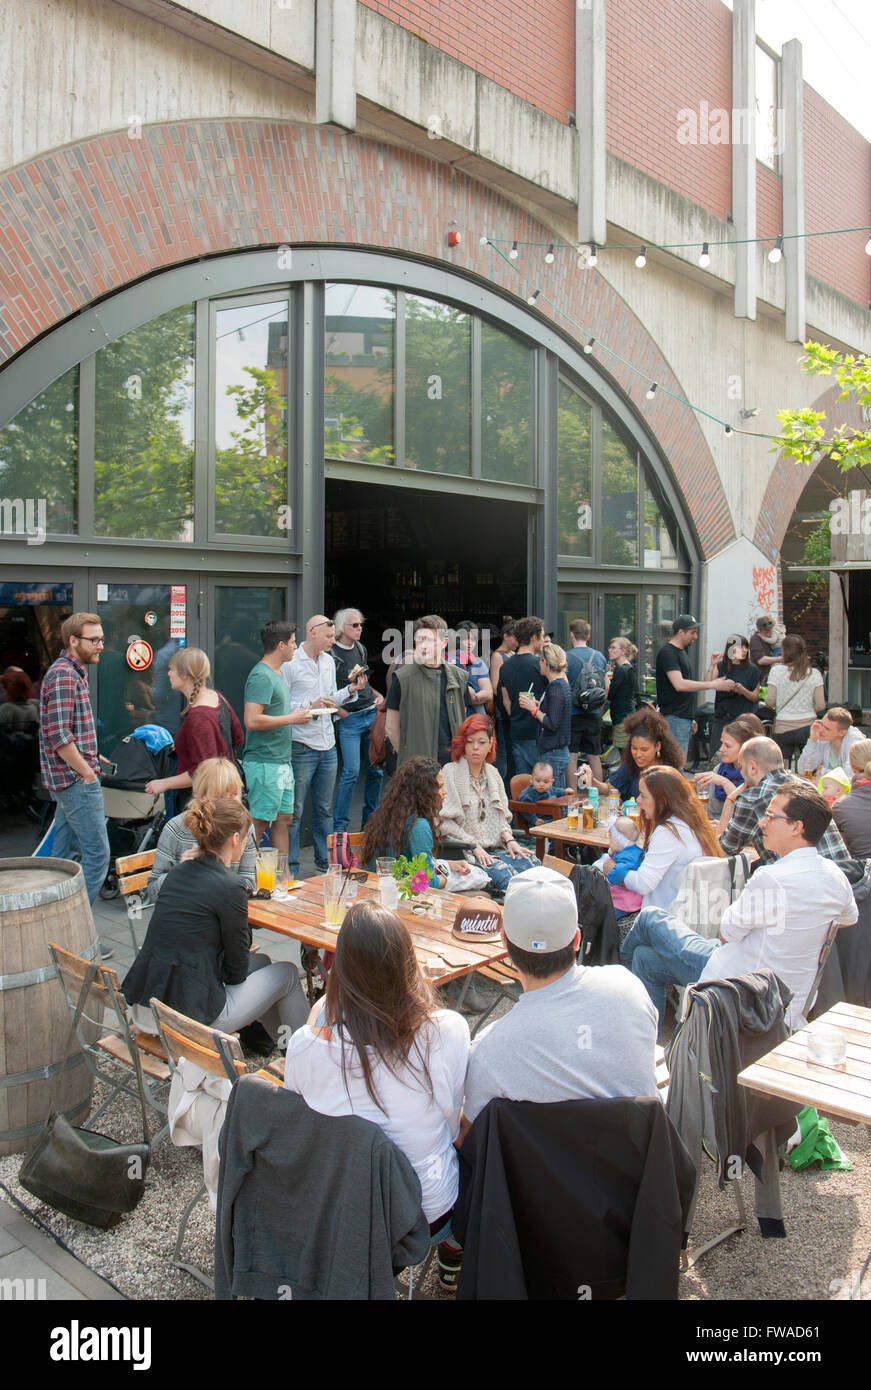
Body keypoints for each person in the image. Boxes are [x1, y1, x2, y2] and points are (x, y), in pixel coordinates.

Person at [283, 901, 470, 1232]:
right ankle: (454, 1250)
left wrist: (329, 1001)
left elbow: (298, 1121)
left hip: (338, 1210)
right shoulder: (444, 1032)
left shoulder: (302, 1046)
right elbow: (453, 1129)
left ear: (340, 972)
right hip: (420, 1215)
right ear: (409, 966)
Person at [620, 784, 858, 1037]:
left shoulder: (771, 878)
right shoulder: (835, 875)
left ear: (796, 827)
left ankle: (617, 981)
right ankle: (648, 1038)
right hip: (790, 992)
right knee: (644, 957)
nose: (762, 823)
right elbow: (847, 919)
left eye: (770, 816)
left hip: (740, 989)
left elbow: (727, 933)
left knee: (649, 918)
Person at [463, 866, 659, 1125]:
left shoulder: (488, 1051)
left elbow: (472, 1131)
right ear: (577, 939)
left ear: (504, 942)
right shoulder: (629, 989)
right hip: (640, 1160)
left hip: (540, 1166)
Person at [122, 796, 308, 1041]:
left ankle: (284, 1047)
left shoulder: (177, 874)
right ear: (234, 840)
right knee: (288, 973)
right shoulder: (231, 886)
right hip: (189, 1017)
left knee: (262, 962)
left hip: (148, 1006)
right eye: (247, 838)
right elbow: (236, 971)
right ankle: (305, 1056)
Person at [38, 613, 113, 954]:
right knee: (98, 856)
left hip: (73, 777)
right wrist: (85, 771)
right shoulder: (65, 675)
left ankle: (51, 931)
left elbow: (68, 732)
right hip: (75, 782)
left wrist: (93, 758)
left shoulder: (70, 672)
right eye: (94, 640)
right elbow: (58, 735)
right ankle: (75, 934)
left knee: (63, 857)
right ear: (73, 641)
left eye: (101, 638)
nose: (101, 645)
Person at [282, 614, 369, 878]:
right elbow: (280, 706)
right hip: (302, 743)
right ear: (313, 633)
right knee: (295, 811)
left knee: (324, 808)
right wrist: (310, 707)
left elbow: (331, 698)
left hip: (327, 743)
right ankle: (292, 868)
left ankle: (324, 863)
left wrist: (351, 691)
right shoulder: (291, 664)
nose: (334, 640)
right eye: (330, 636)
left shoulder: (329, 662)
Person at [440, 713, 539, 893]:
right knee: (511, 880)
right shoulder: (450, 772)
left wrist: (510, 840)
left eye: (481, 742)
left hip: (497, 850)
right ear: (463, 743)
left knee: (535, 868)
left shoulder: (493, 773)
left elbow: (502, 818)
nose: (475, 748)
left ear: (491, 743)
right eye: (470, 742)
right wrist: (472, 844)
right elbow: (443, 822)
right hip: (467, 854)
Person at [600, 765, 722, 912]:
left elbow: (643, 883)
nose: (638, 800)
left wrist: (611, 868)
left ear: (662, 801)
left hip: (662, 920)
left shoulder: (669, 831)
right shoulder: (690, 821)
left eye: (643, 795)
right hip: (687, 915)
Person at [717, 736, 851, 867]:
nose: (741, 773)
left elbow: (723, 851)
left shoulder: (752, 797)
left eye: (742, 767)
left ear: (753, 767)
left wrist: (730, 800)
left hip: (799, 881)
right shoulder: (806, 784)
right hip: (843, 875)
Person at [242, 619, 313, 858]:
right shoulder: (261, 676)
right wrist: (292, 720)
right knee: (259, 823)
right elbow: (252, 720)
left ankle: (281, 881)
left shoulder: (276, 673)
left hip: (281, 761)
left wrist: (298, 713)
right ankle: (246, 877)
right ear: (281, 645)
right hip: (265, 762)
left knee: (284, 819)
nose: (296, 646)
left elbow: (276, 714)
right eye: (293, 642)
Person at [146, 757, 257, 903]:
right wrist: (183, 871)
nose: (228, 802)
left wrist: (217, 869)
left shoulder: (245, 827)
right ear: (202, 797)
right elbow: (153, 892)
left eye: (234, 794)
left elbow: (249, 887)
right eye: (219, 797)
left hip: (225, 913)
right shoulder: (177, 828)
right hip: (186, 915)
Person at [144, 648, 243, 803]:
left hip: (201, 801)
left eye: (172, 670)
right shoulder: (217, 697)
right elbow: (237, 737)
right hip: (224, 792)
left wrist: (164, 783)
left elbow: (203, 771)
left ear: (184, 675)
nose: (169, 674)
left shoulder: (199, 717)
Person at [359, 755, 471, 889]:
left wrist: (448, 865)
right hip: (401, 897)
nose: (445, 792)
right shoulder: (419, 826)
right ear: (424, 792)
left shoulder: (387, 816)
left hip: (379, 890)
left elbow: (413, 863)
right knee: (482, 896)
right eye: (440, 787)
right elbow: (428, 883)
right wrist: (450, 878)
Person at [384, 614, 468, 768]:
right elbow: (391, 727)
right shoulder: (403, 677)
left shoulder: (459, 676)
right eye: (419, 639)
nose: (423, 645)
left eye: (430, 640)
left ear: (444, 643)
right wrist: (407, 759)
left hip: (453, 764)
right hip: (417, 768)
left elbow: (463, 719)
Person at [330, 607, 384, 831]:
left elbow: (363, 679)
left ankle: (369, 824)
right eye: (355, 625)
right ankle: (340, 828)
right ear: (342, 627)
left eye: (360, 624)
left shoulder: (360, 649)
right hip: (350, 718)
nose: (360, 628)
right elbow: (325, 688)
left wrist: (376, 694)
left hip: (369, 712)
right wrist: (339, 712)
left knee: (376, 769)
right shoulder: (331, 655)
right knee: (351, 771)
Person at [655, 614, 732, 756]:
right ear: (680, 632)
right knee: (674, 765)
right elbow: (679, 684)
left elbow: (694, 686)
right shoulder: (668, 653)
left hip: (682, 718)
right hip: (674, 718)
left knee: (677, 764)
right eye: (692, 633)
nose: (695, 637)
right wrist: (713, 685)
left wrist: (712, 666)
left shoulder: (681, 652)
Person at [579, 706, 684, 801]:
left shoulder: (671, 771)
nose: (638, 754)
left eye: (644, 749)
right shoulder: (630, 766)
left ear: (658, 746)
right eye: (634, 748)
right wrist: (591, 780)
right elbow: (608, 789)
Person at [696, 713, 765, 828]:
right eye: (721, 743)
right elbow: (710, 810)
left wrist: (725, 782)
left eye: (727, 746)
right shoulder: (719, 769)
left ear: (745, 748)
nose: (721, 749)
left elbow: (750, 814)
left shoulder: (756, 775)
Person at [763, 634, 825, 764]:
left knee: (782, 767)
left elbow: (770, 701)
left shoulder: (776, 671)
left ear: (785, 652)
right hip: (808, 727)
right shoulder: (814, 674)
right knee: (808, 765)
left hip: (783, 727)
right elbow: (820, 705)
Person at [519, 641, 571, 793]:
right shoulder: (560, 685)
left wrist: (534, 709)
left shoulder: (556, 687)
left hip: (554, 752)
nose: (539, 663)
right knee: (557, 797)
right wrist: (537, 706)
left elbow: (552, 723)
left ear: (546, 663)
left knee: (553, 799)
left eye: (540, 659)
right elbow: (556, 714)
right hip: (557, 751)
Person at [498, 615, 547, 777]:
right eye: (542, 636)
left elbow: (506, 699)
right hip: (539, 732)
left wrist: (516, 715)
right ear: (534, 637)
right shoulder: (540, 664)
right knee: (544, 782)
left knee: (523, 781)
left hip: (516, 730)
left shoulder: (505, 666)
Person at [565, 619, 607, 787]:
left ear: (571, 635)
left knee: (572, 756)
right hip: (593, 714)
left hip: (573, 714)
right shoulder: (599, 656)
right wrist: (599, 708)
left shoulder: (566, 657)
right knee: (594, 756)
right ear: (588, 636)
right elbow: (606, 686)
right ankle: (598, 794)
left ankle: (571, 796)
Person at [702, 634, 762, 750]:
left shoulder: (753, 670)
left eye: (746, 647)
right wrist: (713, 664)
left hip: (742, 720)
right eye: (741, 647)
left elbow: (755, 697)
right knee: (717, 753)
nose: (744, 650)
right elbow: (707, 683)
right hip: (722, 718)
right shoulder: (721, 666)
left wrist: (742, 690)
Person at [592, 816, 644, 914]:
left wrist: (607, 878)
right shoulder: (633, 851)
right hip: (631, 900)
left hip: (624, 903)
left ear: (617, 842)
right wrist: (612, 852)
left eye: (610, 837)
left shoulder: (626, 857)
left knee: (605, 915)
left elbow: (620, 871)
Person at [796, 705, 865, 779]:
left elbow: (849, 776)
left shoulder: (855, 741)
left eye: (827, 728)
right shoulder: (823, 738)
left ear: (842, 733)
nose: (821, 730)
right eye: (821, 724)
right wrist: (812, 741)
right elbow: (802, 770)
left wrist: (822, 771)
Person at [832, 738, 871, 858]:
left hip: (863, 872)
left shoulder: (840, 806)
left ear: (852, 768)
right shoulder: (841, 806)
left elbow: (841, 854)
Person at [489, 620, 517, 781]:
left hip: (513, 706)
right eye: (515, 638)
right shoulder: (497, 656)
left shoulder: (512, 655)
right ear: (505, 636)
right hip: (503, 709)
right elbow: (495, 686)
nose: (518, 642)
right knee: (504, 751)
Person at [450, 621, 494, 714]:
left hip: (474, 720)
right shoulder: (448, 661)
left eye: (473, 639)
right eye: (465, 639)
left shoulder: (479, 663)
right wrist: (475, 697)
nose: (470, 643)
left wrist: (468, 697)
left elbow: (488, 694)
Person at [604, 636, 638, 750]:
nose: (610, 650)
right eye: (610, 647)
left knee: (624, 753)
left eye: (614, 648)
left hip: (621, 717)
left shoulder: (620, 670)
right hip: (629, 715)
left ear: (623, 652)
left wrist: (606, 678)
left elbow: (610, 695)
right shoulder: (628, 668)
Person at [516, 760, 555, 826]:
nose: (542, 784)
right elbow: (524, 807)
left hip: (552, 818)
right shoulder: (527, 794)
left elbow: (556, 790)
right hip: (538, 822)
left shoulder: (549, 789)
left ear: (551, 782)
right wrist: (534, 819)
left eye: (546, 782)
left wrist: (565, 792)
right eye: (538, 781)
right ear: (531, 780)